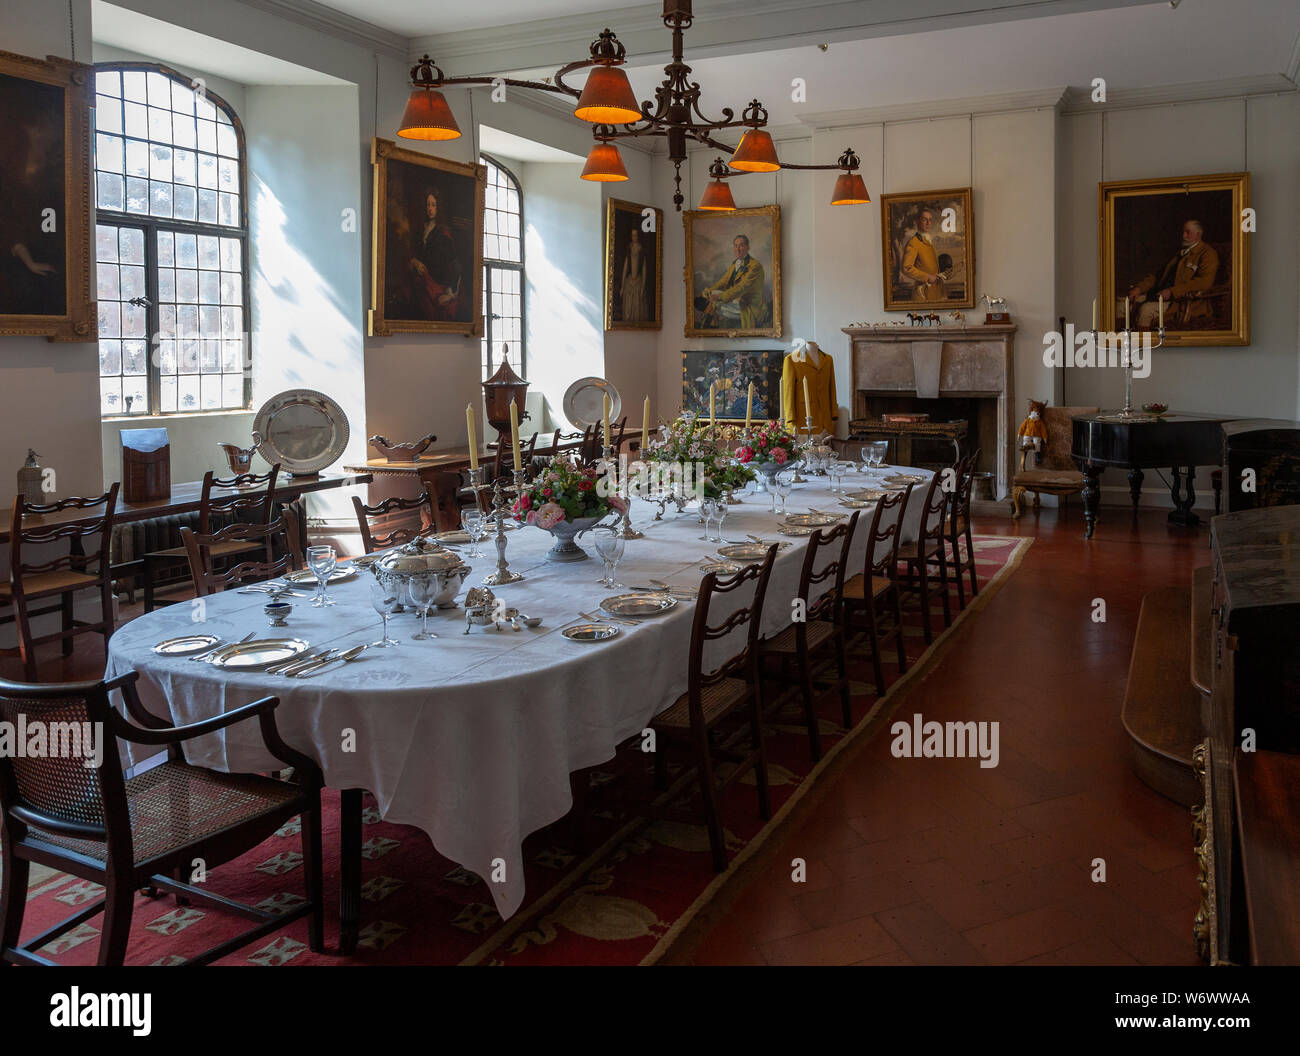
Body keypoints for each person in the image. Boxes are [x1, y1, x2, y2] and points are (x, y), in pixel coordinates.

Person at [1123, 219, 1219, 329]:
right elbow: (1157, 276)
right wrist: (1139, 288)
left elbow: (1204, 282)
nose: (1183, 235)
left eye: (1188, 232)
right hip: (1159, 296)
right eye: (1183, 232)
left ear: (1198, 235)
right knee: (1122, 306)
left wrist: (1172, 291)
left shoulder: (1208, 254)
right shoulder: (1179, 253)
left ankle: (1143, 344)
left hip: (1182, 303)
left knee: (1145, 311)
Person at [409, 186, 463, 322]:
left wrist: (450, 293)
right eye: (428, 205)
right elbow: (418, 254)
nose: (430, 209)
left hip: (439, 284)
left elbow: (455, 265)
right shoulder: (422, 229)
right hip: (425, 281)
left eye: (433, 205)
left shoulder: (443, 233)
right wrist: (415, 261)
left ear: (438, 208)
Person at [695, 234, 768, 329]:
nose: (738, 249)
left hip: (748, 305)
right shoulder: (735, 264)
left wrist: (719, 297)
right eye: (735, 245)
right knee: (713, 294)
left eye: (741, 245)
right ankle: (707, 322)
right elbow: (723, 282)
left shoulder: (755, 266)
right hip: (736, 301)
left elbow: (742, 287)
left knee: (716, 302)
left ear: (747, 247)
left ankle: (708, 323)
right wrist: (708, 291)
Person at [900, 208, 949, 303]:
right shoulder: (913, 243)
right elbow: (906, 268)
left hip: (936, 292)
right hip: (923, 294)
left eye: (930, 220)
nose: (928, 223)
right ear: (917, 221)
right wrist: (928, 277)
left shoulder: (927, 240)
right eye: (924, 220)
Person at [619, 227, 649, 322]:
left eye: (635, 235)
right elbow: (625, 267)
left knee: (637, 310)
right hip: (629, 282)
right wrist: (622, 286)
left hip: (638, 282)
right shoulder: (629, 248)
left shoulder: (641, 249)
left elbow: (644, 269)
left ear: (638, 236)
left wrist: (643, 288)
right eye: (632, 235)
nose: (634, 237)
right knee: (628, 310)